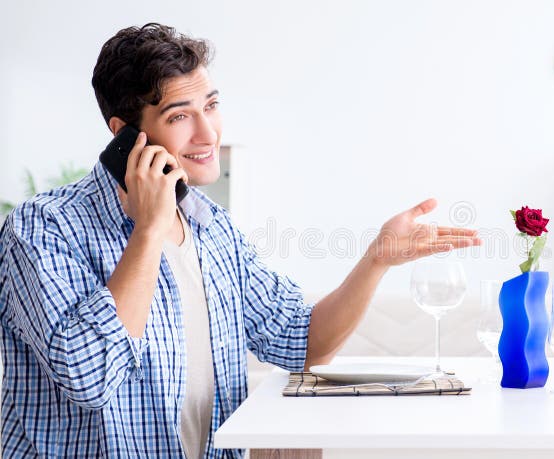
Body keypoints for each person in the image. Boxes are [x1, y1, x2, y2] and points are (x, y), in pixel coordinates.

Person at [0, 23, 480, 458]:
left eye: (210, 105)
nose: (208, 132)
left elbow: (301, 341)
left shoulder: (214, 228)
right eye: (179, 116)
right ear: (126, 136)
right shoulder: (42, 228)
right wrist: (148, 231)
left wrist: (376, 261)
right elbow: (89, 375)